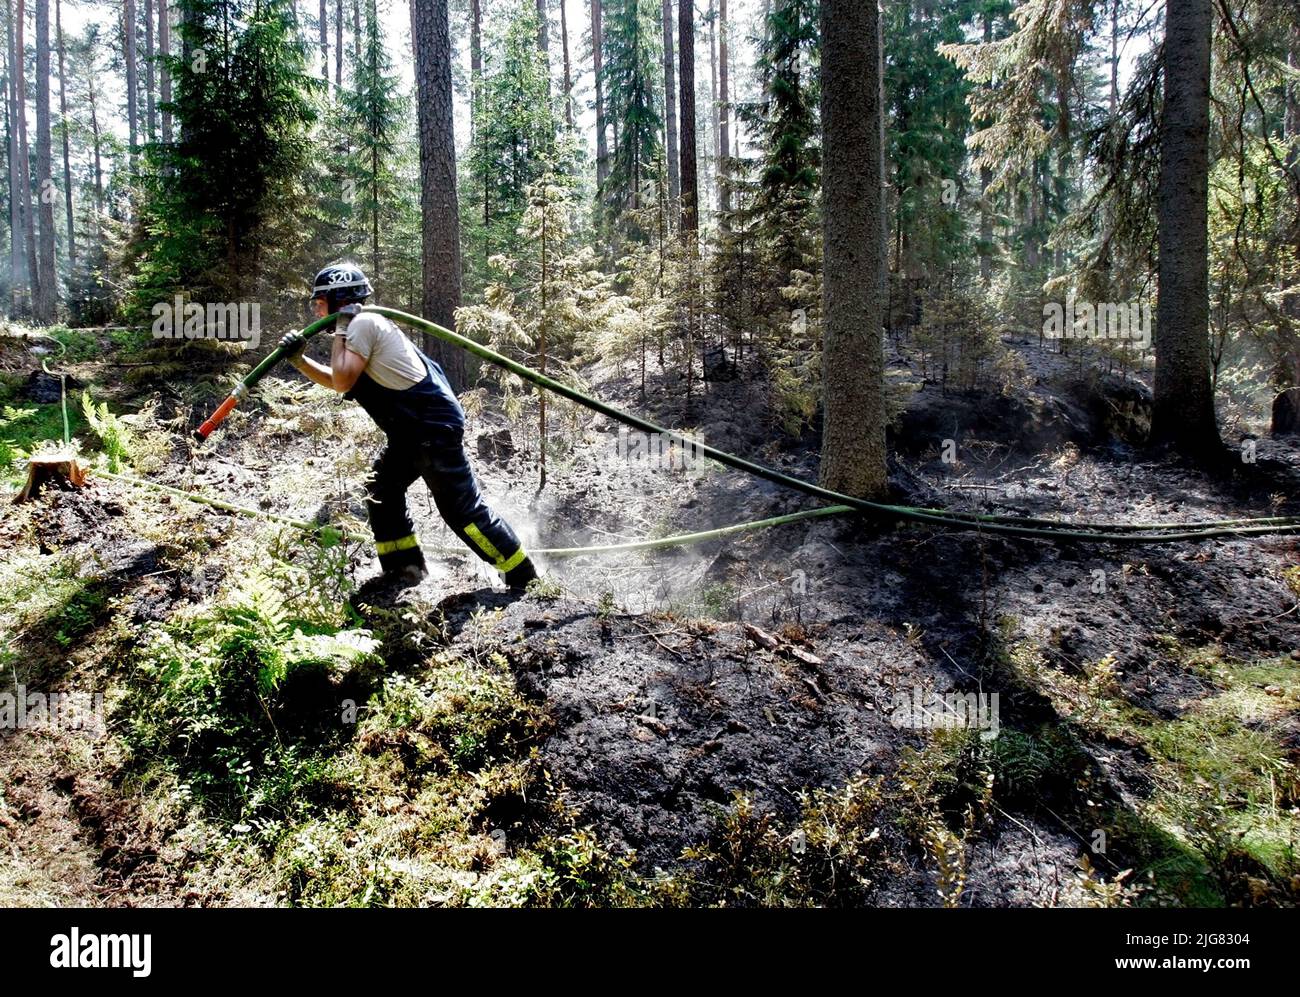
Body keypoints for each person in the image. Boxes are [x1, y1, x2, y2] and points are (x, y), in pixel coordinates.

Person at [279, 263, 538, 594]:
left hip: (429, 428)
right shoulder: (359, 326)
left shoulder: (362, 325)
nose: (316, 309)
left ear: (339, 300)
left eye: (320, 302)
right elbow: (341, 382)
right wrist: (300, 361)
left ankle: (524, 579)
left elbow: (342, 378)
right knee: (381, 490)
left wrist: (342, 327)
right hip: (411, 431)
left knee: (462, 512)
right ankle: (405, 569)